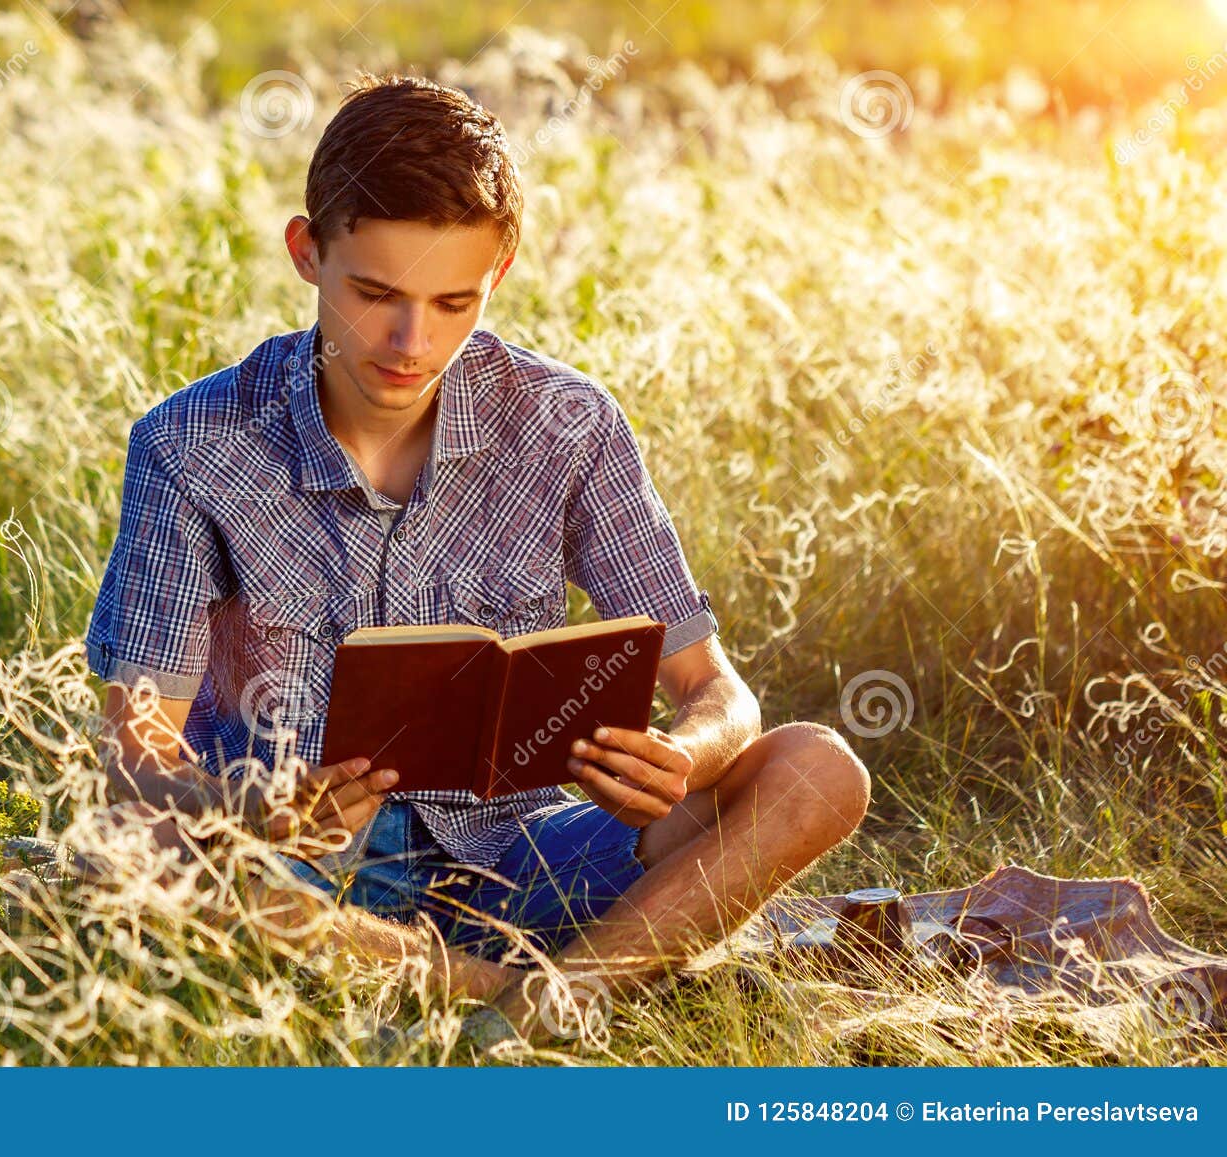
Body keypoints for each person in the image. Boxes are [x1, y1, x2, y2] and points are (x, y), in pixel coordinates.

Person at [83, 72, 870, 1048]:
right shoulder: (190, 444)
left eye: (453, 300)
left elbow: (719, 690)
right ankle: (525, 992)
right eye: (374, 294)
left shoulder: (567, 424)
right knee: (129, 852)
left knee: (816, 769)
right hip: (297, 870)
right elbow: (135, 754)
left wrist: (681, 753)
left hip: (522, 855)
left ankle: (547, 989)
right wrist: (254, 801)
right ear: (305, 251)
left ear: (500, 272)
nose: (412, 342)